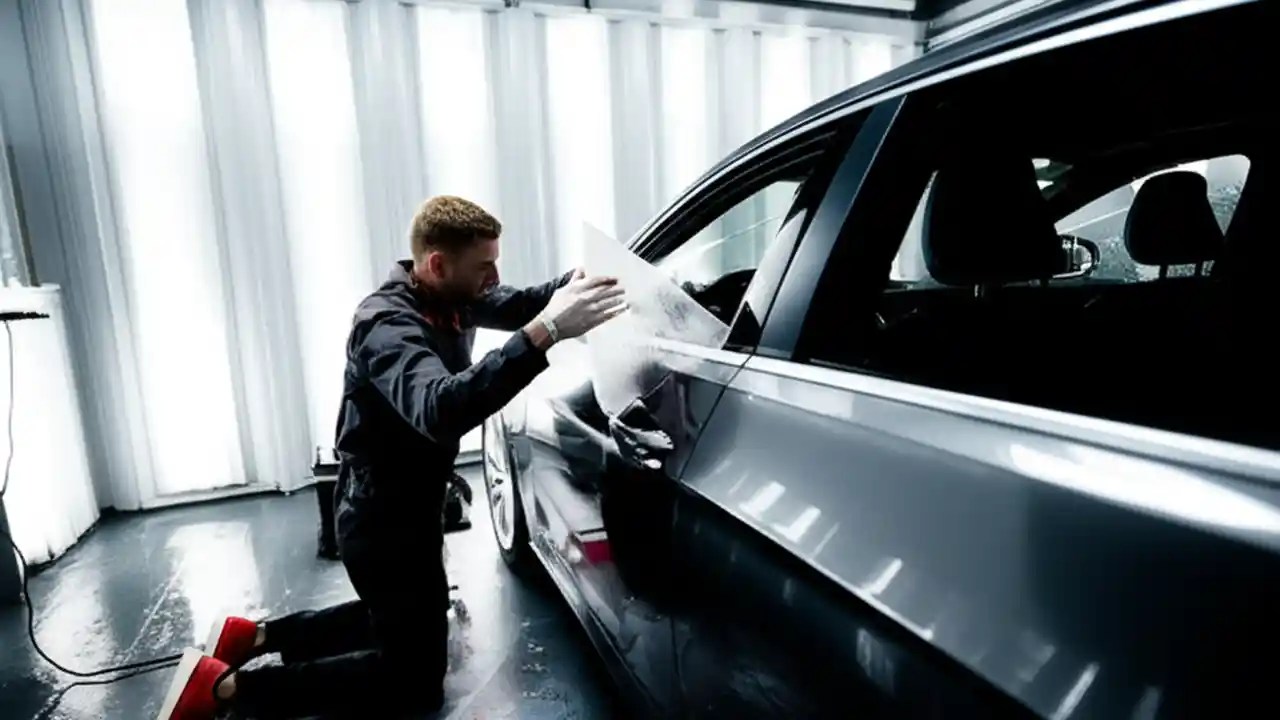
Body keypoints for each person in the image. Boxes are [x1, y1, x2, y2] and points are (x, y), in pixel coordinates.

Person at [155, 196, 627, 720]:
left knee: (409, 616)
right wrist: (549, 332)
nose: (495, 276)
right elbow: (440, 408)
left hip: (410, 506)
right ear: (438, 264)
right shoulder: (383, 324)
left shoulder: (453, 293)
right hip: (379, 520)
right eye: (485, 265)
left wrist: (595, 278)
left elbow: (527, 302)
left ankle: (255, 635)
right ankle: (225, 691)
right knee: (416, 680)